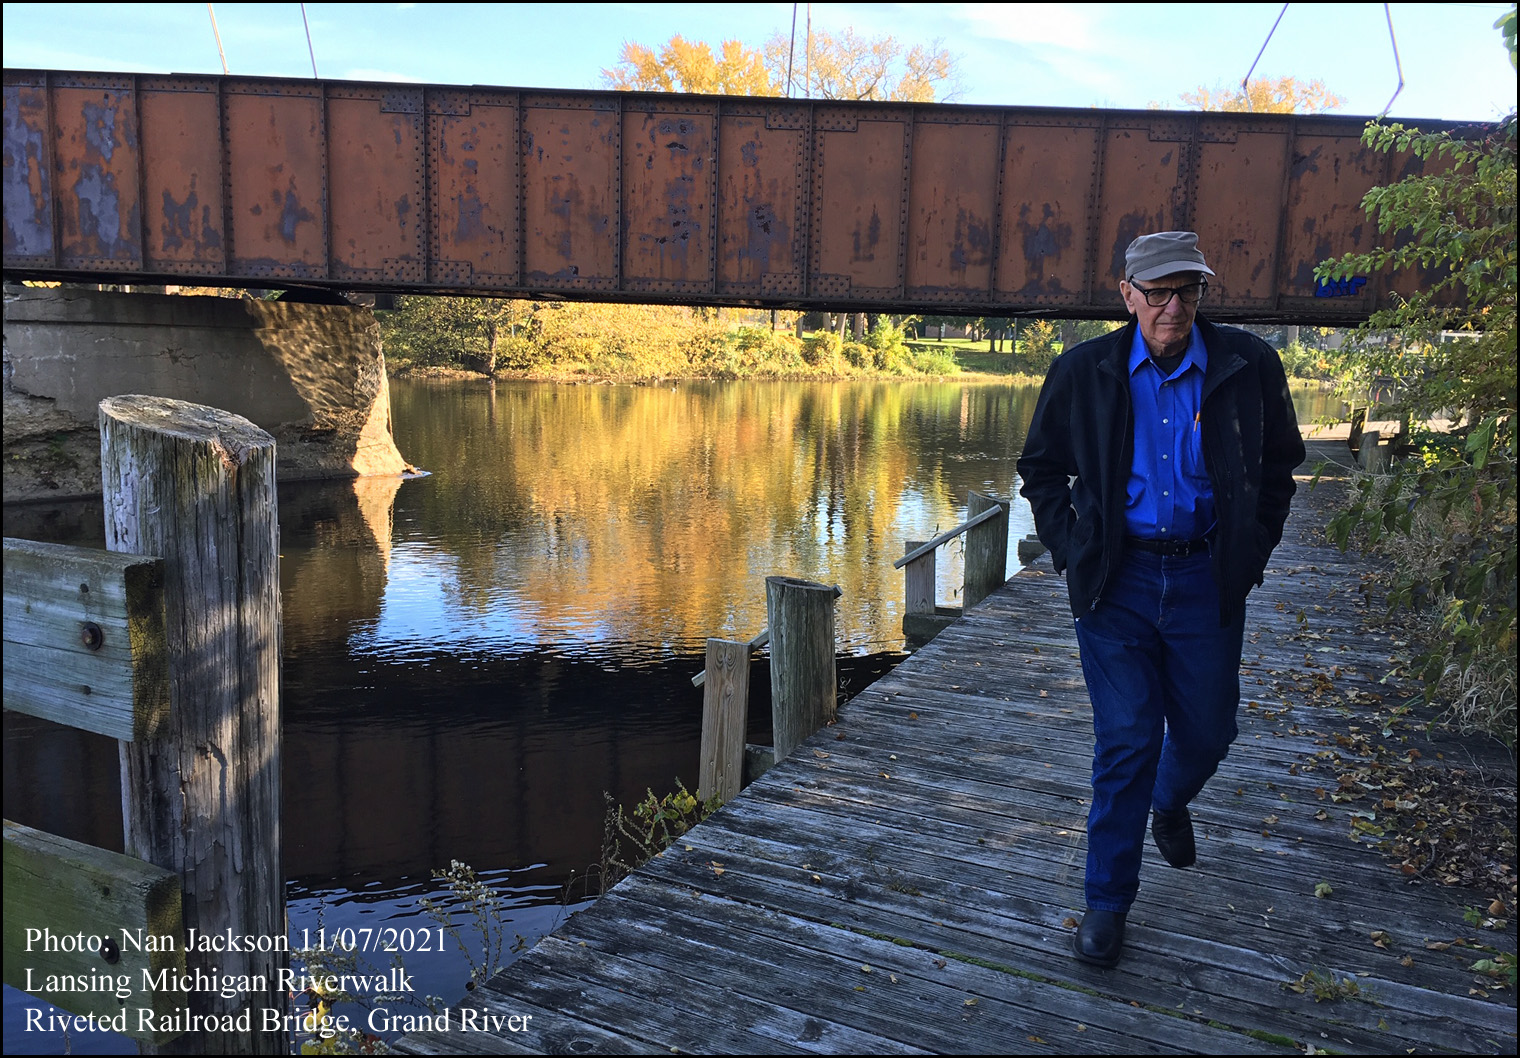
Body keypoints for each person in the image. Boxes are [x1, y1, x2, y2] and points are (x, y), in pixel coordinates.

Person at [1016, 231, 1305, 967]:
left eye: (1189, 291)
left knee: (1209, 733)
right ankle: (1106, 903)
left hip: (1208, 579)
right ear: (1127, 295)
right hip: (1118, 581)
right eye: (1158, 293)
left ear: (1203, 293)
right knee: (1127, 739)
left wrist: (1254, 544)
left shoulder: (1248, 365)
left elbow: (1281, 467)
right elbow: (1042, 470)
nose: (1174, 308)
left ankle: (1169, 802)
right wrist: (1070, 545)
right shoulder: (1085, 372)